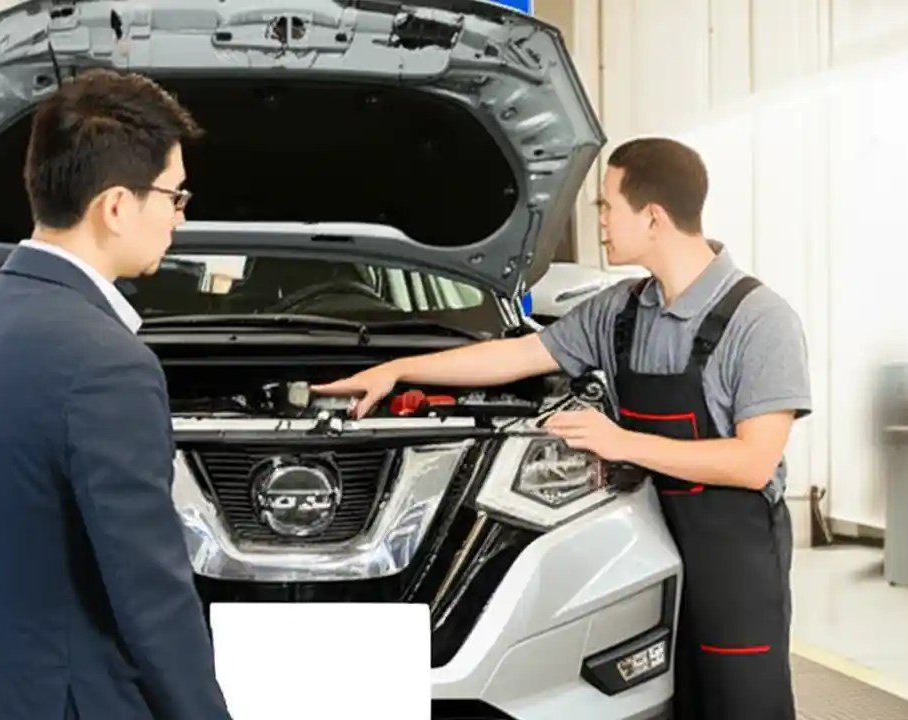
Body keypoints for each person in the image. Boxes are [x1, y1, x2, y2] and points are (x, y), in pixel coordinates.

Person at [313, 137, 809, 719]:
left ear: (652, 217)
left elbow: (752, 463)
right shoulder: (621, 310)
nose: (598, 221)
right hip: (644, 543)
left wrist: (621, 442)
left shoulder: (761, 320)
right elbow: (514, 358)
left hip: (733, 556)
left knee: (742, 705)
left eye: (607, 206)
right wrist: (397, 370)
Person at [0, 69, 231, 720]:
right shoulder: (108, 363)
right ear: (117, 206)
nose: (180, 216)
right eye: (174, 196)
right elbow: (151, 592)